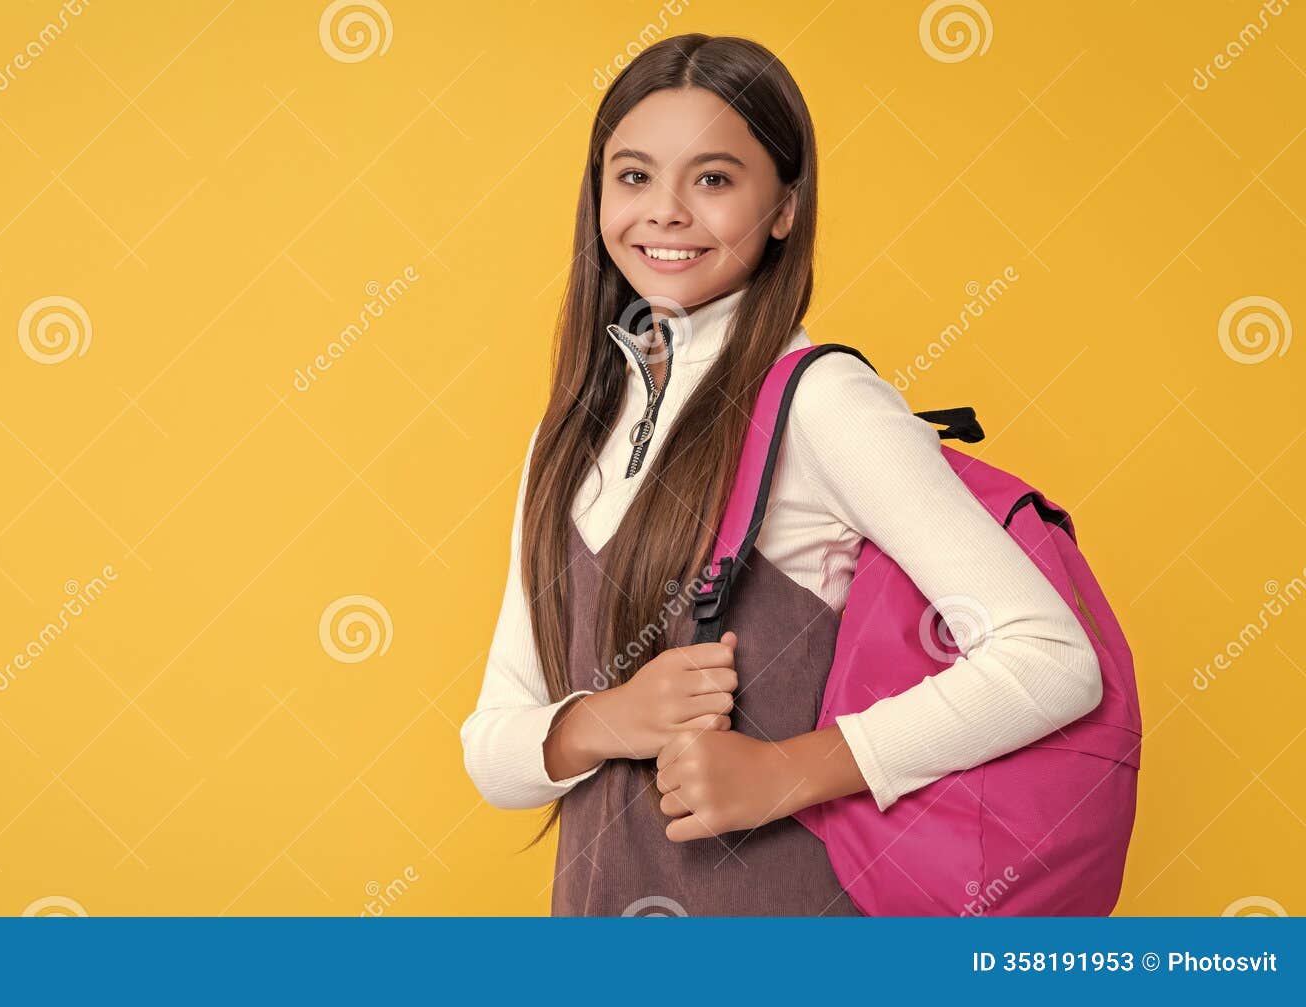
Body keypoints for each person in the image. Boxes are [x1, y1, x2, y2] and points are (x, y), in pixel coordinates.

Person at [459, 33, 1102, 916]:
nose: (667, 212)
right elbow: (495, 747)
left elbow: (1055, 658)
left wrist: (786, 770)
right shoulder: (568, 430)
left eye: (714, 179)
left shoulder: (820, 401)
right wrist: (611, 718)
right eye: (635, 176)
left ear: (784, 208)